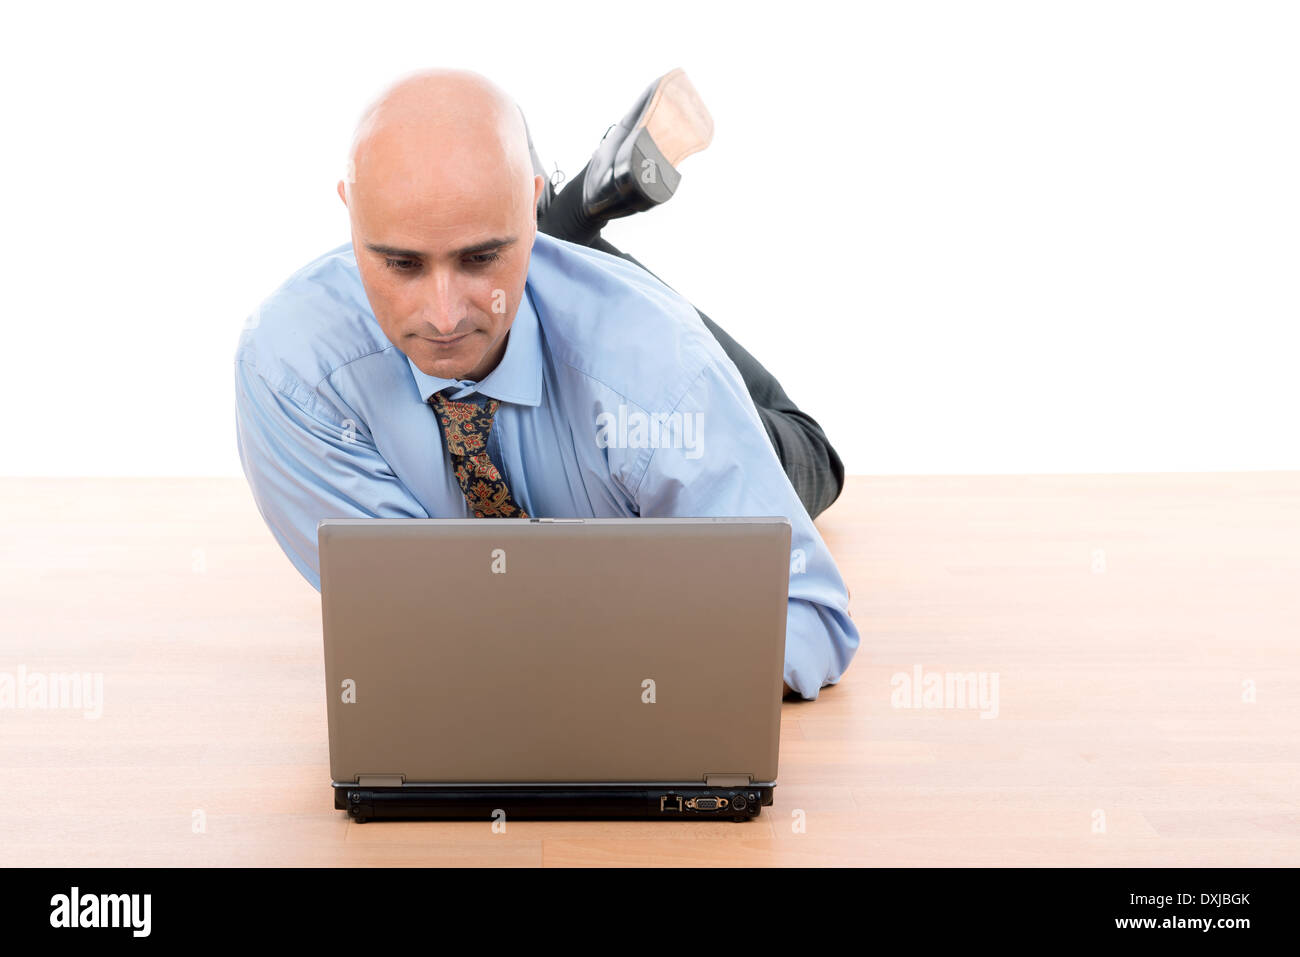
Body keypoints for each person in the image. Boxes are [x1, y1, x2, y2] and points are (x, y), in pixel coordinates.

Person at [234, 68, 858, 699]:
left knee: (812, 456)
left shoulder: (654, 370)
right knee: (523, 296)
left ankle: (567, 221)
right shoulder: (291, 369)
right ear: (350, 217)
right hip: (555, 295)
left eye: (480, 256)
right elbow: (423, 610)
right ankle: (570, 217)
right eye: (401, 264)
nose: (443, 317)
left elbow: (809, 619)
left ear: (522, 214)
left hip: (664, 392)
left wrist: (604, 662)